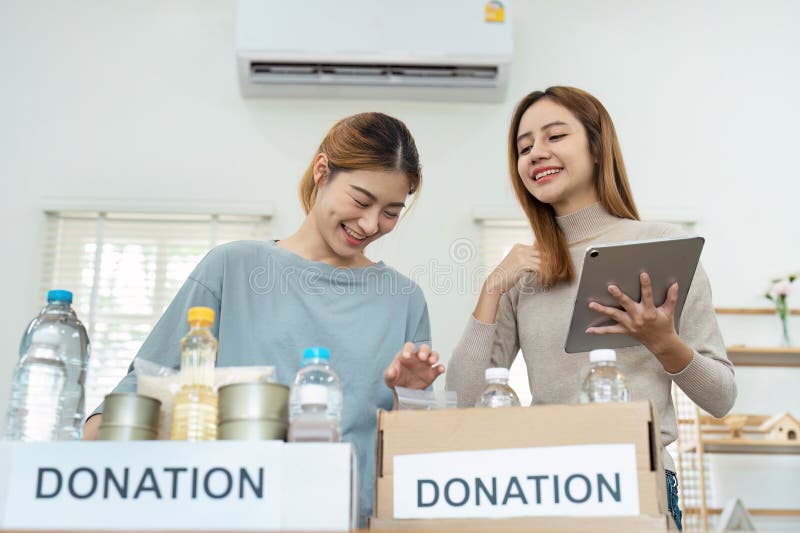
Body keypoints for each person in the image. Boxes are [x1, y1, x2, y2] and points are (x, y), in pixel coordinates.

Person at [83, 112, 445, 525]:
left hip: (350, 522)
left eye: (391, 212)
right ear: (322, 171)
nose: (369, 224)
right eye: (361, 201)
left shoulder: (404, 300)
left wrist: (412, 397)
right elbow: (145, 383)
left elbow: (408, 459)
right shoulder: (232, 268)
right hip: (232, 516)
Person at [445, 86, 736, 530]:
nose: (536, 154)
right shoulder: (524, 269)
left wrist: (664, 342)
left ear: (598, 148)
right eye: (524, 148)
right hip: (546, 488)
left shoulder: (660, 248)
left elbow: (721, 397)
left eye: (554, 137)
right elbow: (464, 399)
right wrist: (492, 287)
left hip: (642, 486)